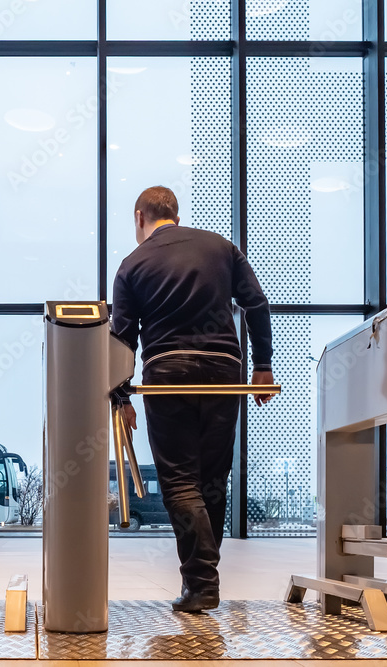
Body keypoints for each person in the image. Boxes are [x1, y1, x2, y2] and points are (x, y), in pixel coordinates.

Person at [111, 186, 274, 613]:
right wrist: (262, 365)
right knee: (212, 478)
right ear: (177, 216)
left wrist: (121, 395)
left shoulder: (133, 264)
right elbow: (256, 303)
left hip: (168, 376)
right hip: (224, 373)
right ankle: (200, 581)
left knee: (181, 481)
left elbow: (122, 338)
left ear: (139, 216)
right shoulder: (221, 247)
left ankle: (202, 583)